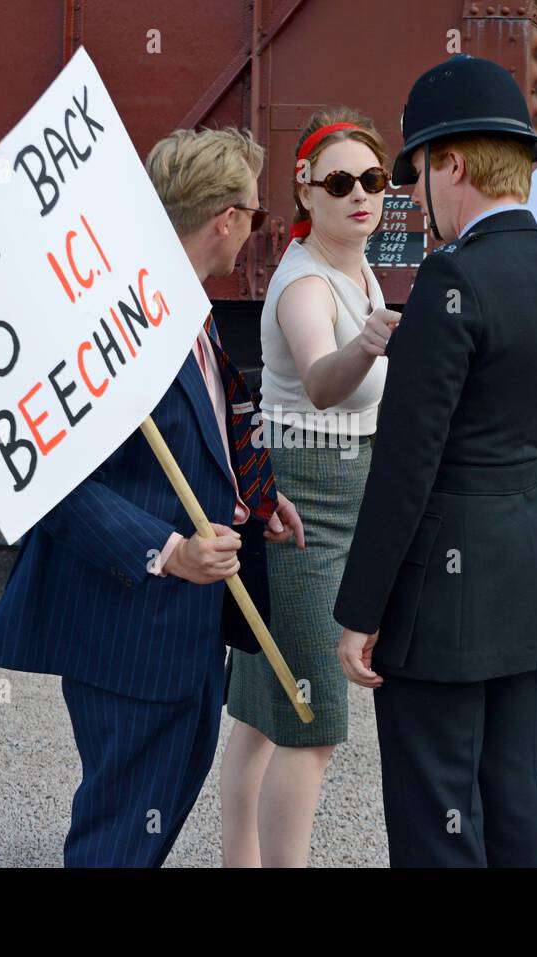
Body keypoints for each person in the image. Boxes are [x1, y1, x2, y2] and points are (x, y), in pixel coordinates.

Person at [0, 127, 303, 867]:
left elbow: (214, 424)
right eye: (253, 211)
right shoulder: (110, 316)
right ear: (224, 217)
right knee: (120, 838)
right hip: (130, 629)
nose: (256, 227)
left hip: (187, 628)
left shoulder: (184, 305)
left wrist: (259, 496)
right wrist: (167, 550)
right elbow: (55, 483)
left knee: (146, 831)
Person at [332, 53, 537, 868]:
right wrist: (508, 531)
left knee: (436, 817)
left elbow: (407, 465)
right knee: (512, 801)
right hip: (522, 576)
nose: (416, 198)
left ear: (452, 164)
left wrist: (360, 608)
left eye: (416, 175)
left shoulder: (452, 280)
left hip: (435, 607)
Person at [220, 107, 401, 867]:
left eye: (374, 179)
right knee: (310, 718)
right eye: (341, 182)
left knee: (264, 713)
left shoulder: (354, 265)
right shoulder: (304, 285)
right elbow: (324, 383)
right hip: (303, 501)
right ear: (307, 192)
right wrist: (367, 343)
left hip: (339, 493)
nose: (361, 194)